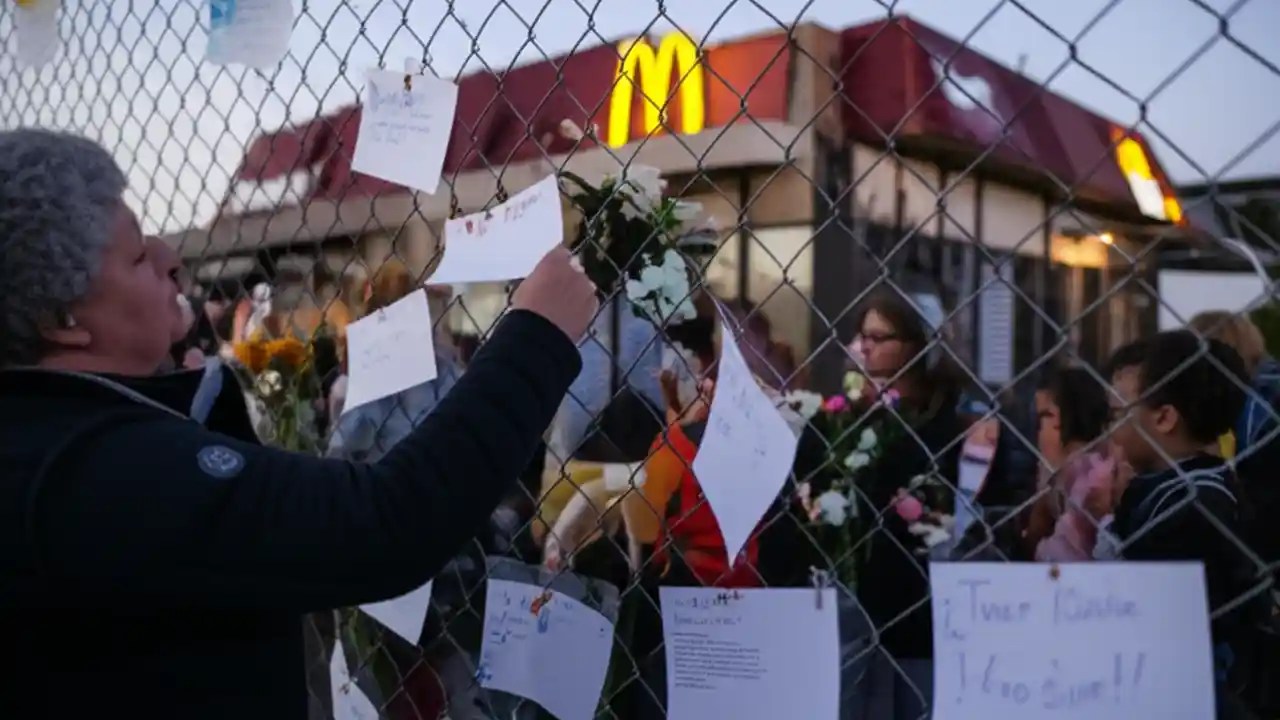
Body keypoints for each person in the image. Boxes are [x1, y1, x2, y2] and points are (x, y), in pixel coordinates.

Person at [0, 129, 598, 718]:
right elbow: (386, 522)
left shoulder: (44, 434)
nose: (170, 260)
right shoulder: (95, 472)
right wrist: (537, 336)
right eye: (135, 256)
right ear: (63, 322)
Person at [1101, 331, 1265, 717]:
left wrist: (1107, 518)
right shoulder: (1171, 487)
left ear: (1163, 417)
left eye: (1117, 413)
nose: (1109, 429)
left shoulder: (1192, 508)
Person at [845, 289, 964, 720]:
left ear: (918, 345)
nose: (866, 347)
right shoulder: (861, 416)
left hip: (925, 615)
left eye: (881, 337)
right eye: (863, 336)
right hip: (868, 611)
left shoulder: (951, 423)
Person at [1023, 366, 1114, 561]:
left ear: (1062, 424)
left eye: (1044, 418)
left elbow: (1063, 555)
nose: (1039, 433)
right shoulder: (1059, 475)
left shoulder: (1089, 477)